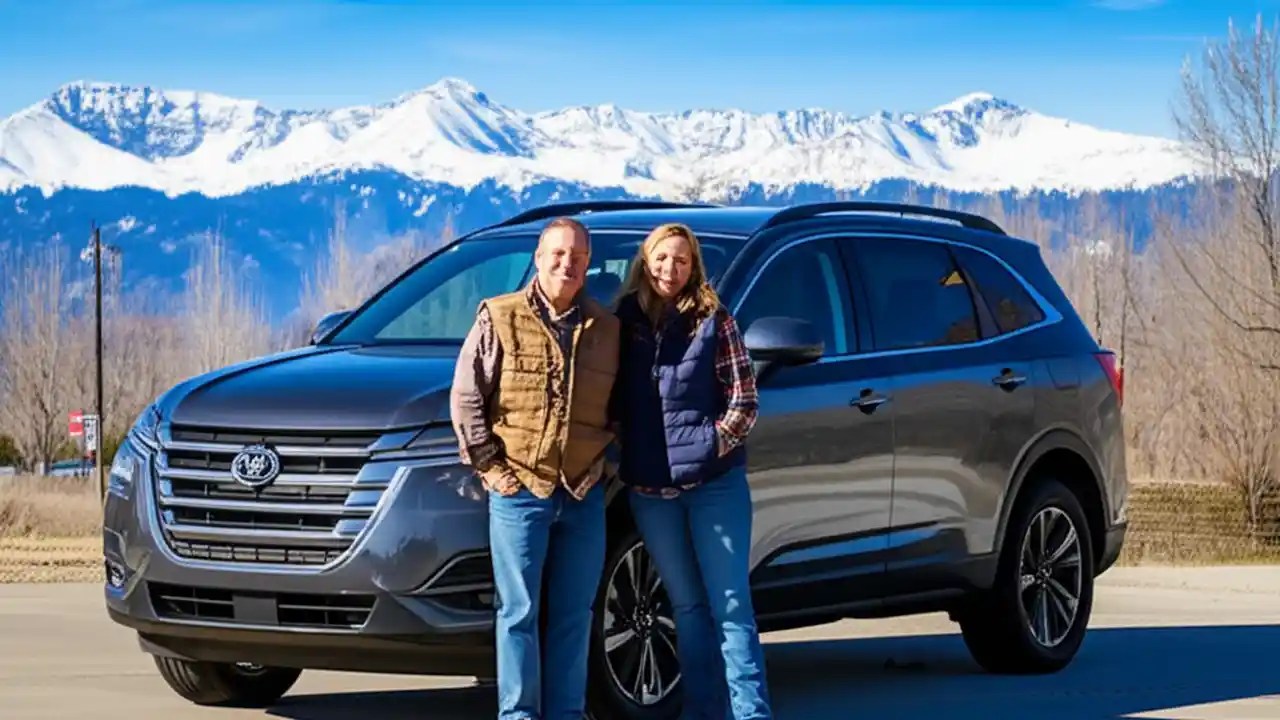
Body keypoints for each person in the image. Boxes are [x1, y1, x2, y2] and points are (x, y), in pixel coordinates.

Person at [450, 217, 621, 720]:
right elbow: (466, 398)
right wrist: (489, 467)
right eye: (558, 253)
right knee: (518, 613)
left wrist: (607, 462)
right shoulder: (499, 317)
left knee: (574, 615)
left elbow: (625, 408)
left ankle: (567, 713)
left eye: (578, 255)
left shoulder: (607, 330)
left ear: (588, 264)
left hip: (583, 492)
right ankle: (519, 714)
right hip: (519, 488)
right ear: (539, 257)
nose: (567, 263)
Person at [610, 222, 773, 720]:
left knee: (730, 607)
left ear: (693, 267)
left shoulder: (713, 319)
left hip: (713, 486)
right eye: (662, 258)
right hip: (650, 490)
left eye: (681, 261)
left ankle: (751, 713)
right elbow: (608, 398)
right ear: (645, 259)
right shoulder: (622, 321)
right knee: (686, 608)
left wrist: (710, 446)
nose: (670, 269)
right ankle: (702, 712)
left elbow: (744, 400)